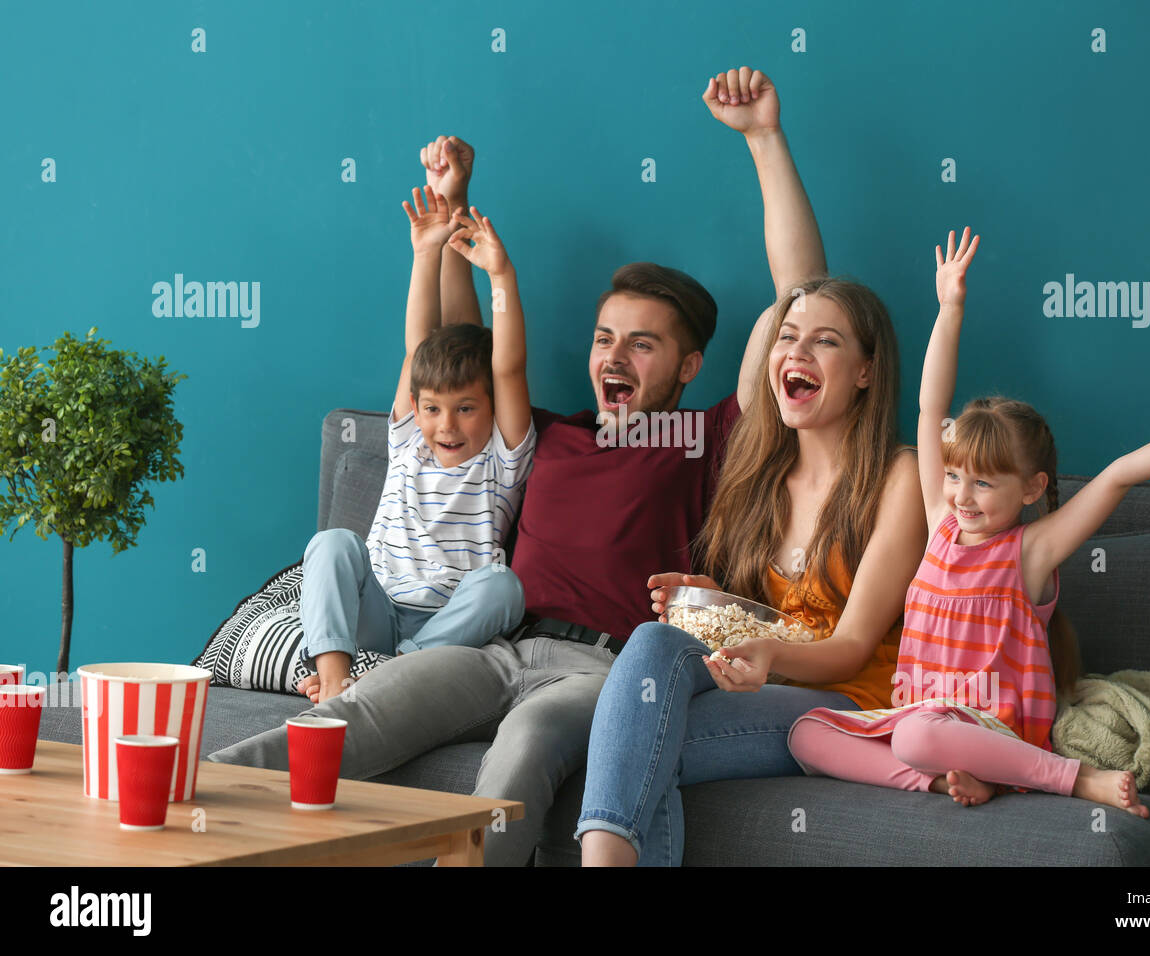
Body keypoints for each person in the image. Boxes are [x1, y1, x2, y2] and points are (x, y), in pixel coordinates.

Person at [209, 65, 811, 865]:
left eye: (643, 342)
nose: (615, 355)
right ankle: (175, 807)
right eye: (604, 338)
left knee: (519, 755)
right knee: (353, 720)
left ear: (690, 365)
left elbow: (802, 296)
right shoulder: (546, 435)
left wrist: (766, 138)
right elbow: (452, 351)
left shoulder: (704, 440)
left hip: (600, 667)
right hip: (494, 645)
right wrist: (454, 213)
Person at [787, 227, 1150, 817]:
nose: (963, 498)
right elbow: (929, 408)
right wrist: (949, 309)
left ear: (1032, 489)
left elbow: (1117, 476)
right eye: (955, 477)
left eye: (984, 483)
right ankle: (947, 781)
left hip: (993, 725)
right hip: (923, 720)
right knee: (804, 735)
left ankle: (1071, 778)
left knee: (916, 738)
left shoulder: (1030, 552)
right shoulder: (938, 523)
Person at [573, 68, 931, 867]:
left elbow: (845, 646)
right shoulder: (757, 465)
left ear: (868, 372)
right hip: (767, 683)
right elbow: (778, 624)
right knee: (654, 661)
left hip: (845, 703)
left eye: (826, 341)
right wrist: (723, 608)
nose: (796, 351)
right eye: (788, 338)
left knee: (633, 731)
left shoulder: (900, 476)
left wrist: (765, 138)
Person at [294, 185, 534, 706]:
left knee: (503, 586)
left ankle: (394, 672)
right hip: (376, 610)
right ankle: (334, 676)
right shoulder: (408, 440)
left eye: (466, 409)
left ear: (490, 409)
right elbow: (418, 343)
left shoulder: (501, 457)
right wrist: (425, 254)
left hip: (447, 626)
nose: (445, 425)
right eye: (432, 409)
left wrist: (501, 276)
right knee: (331, 543)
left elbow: (509, 365)